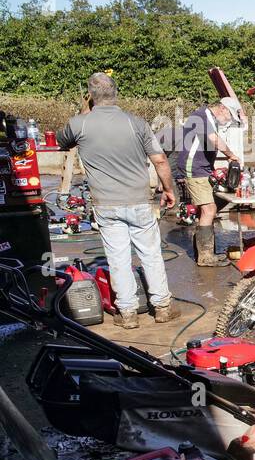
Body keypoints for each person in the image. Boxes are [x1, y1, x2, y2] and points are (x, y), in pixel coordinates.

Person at [57, 72, 176, 329]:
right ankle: (162, 307)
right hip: (139, 201)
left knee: (118, 258)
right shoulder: (137, 123)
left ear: (91, 96)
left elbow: (61, 141)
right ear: (116, 93)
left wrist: (85, 110)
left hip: (106, 205)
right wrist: (168, 189)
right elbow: (160, 160)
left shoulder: (79, 124)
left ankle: (128, 313)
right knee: (151, 254)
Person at [156, 101, 234, 266]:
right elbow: (214, 139)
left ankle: (204, 250)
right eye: (229, 116)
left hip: (201, 168)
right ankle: (205, 257)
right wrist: (231, 155)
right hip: (195, 168)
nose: (228, 121)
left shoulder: (207, 117)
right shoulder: (201, 116)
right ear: (223, 108)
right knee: (209, 209)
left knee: (208, 208)